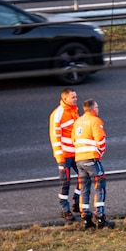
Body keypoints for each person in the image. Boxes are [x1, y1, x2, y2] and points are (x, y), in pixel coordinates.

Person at [73, 99, 113, 229]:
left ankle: (86, 218)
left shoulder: (78, 121)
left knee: (84, 189)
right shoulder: (95, 121)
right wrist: (100, 153)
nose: (98, 108)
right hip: (92, 159)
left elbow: (74, 139)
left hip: (79, 160)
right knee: (99, 187)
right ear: (93, 109)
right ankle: (100, 217)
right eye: (97, 106)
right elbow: (100, 139)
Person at [49, 87, 80, 223]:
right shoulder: (58, 114)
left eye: (75, 96)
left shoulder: (74, 110)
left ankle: (76, 202)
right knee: (65, 182)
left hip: (76, 152)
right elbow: (55, 136)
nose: (76, 99)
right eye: (73, 97)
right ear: (65, 98)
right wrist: (59, 155)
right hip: (65, 155)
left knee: (84, 176)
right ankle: (65, 209)